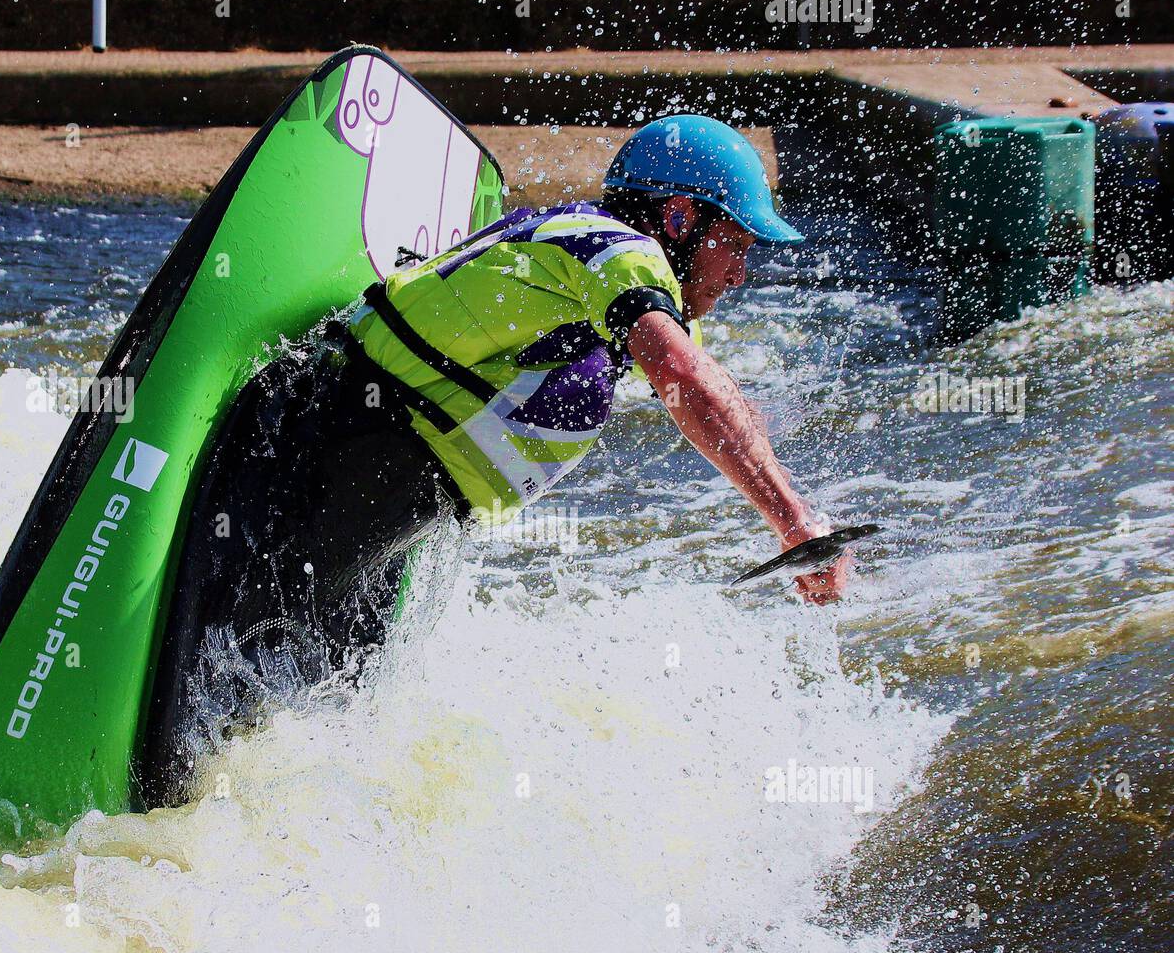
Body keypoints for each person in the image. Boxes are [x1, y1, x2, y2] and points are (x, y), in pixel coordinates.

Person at [136, 114, 850, 806]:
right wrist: (793, 523)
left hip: (387, 513)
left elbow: (714, 386)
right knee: (208, 743)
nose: (742, 272)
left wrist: (796, 498)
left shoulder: (620, 284)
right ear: (678, 219)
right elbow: (686, 379)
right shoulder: (612, 253)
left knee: (307, 744)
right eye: (737, 243)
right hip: (325, 462)